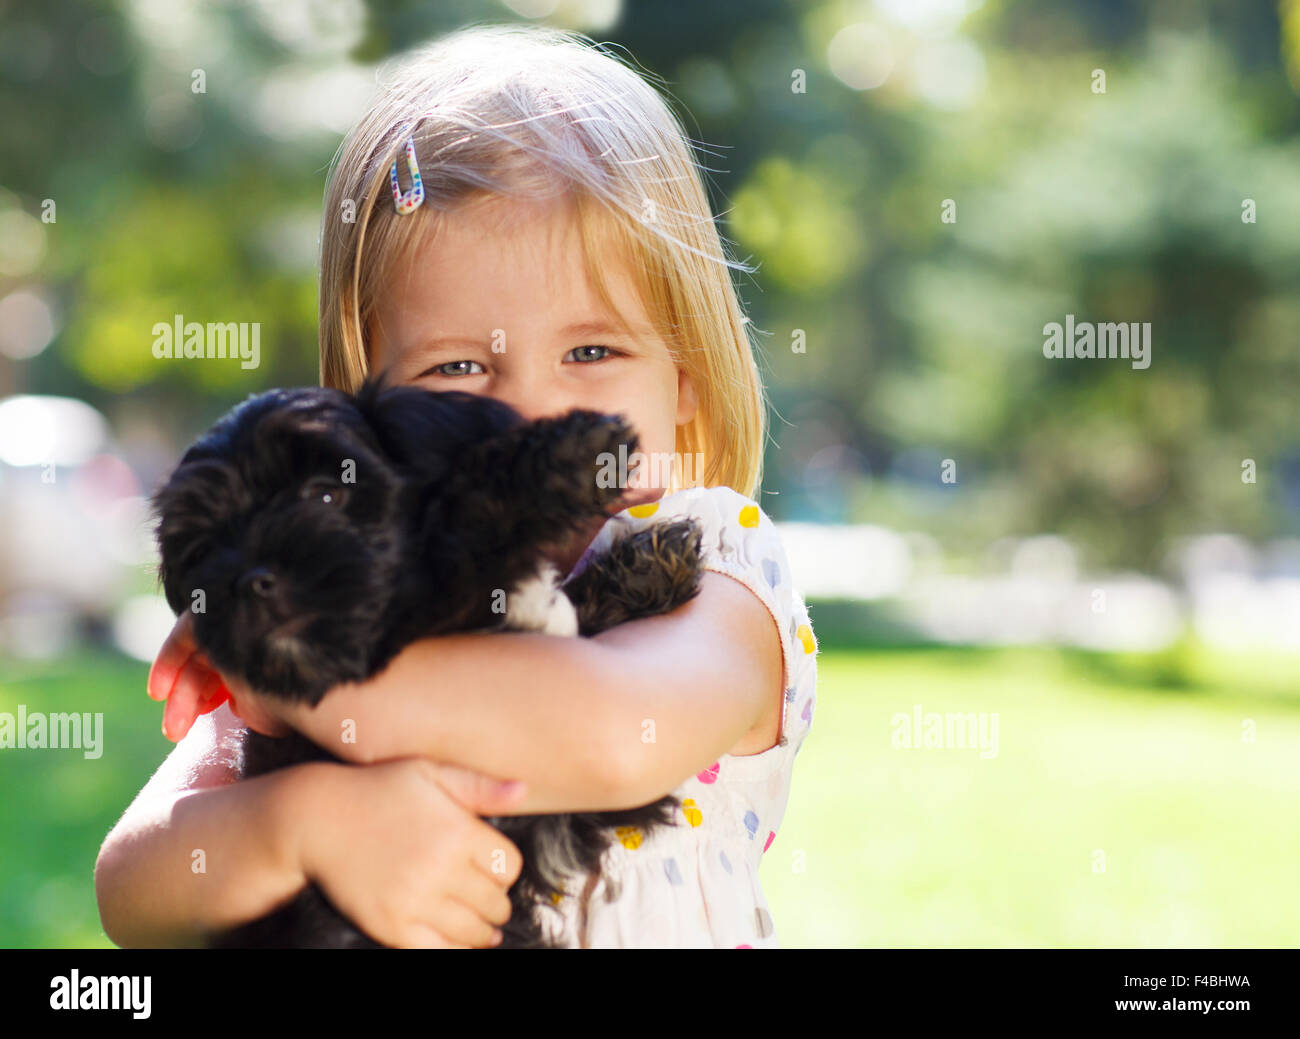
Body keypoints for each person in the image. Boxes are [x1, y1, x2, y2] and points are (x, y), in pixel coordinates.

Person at [95, 22, 818, 949]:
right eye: (459, 368)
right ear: (370, 396)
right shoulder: (361, 592)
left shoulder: (719, 570)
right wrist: (297, 823)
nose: (526, 416)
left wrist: (288, 677)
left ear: (683, 380)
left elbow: (606, 739)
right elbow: (137, 890)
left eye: (592, 351)